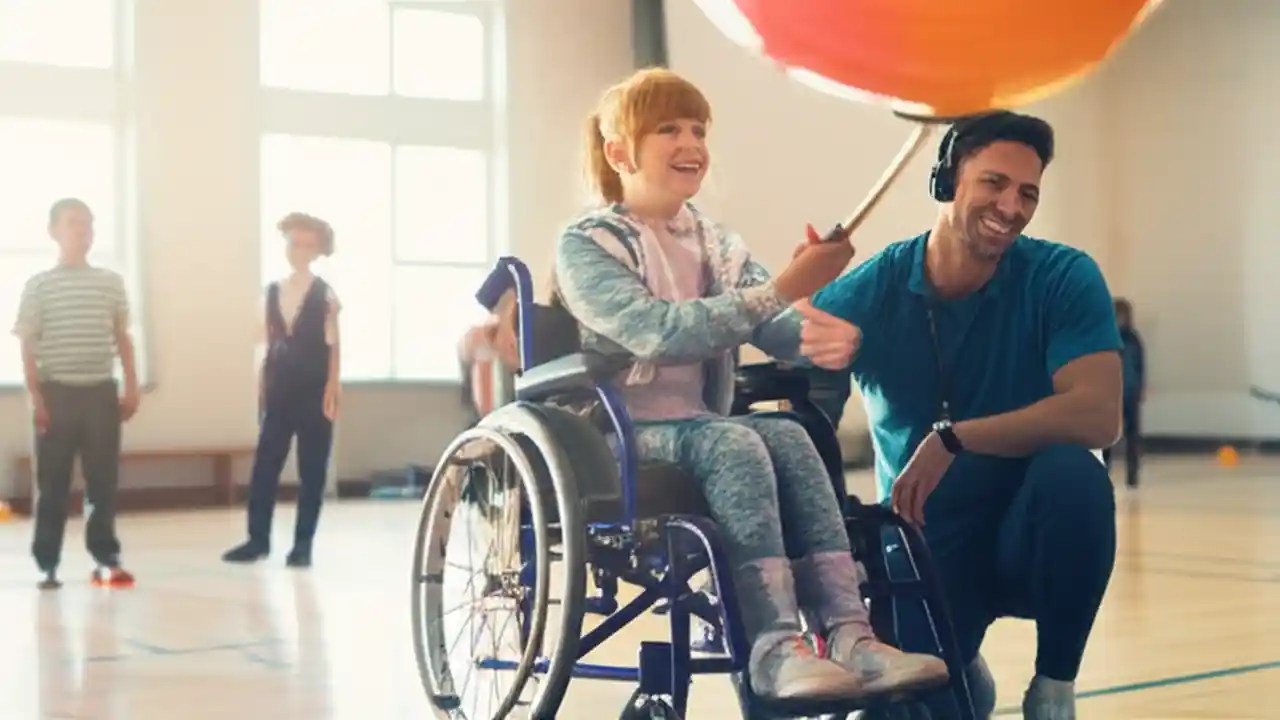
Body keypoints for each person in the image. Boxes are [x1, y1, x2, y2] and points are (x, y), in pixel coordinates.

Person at [552, 67, 948, 707]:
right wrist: (783, 288)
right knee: (733, 443)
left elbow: (776, 323)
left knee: (789, 437)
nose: (691, 143)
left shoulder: (714, 242)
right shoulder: (586, 244)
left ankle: (849, 634)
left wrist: (819, 335)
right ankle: (771, 648)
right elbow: (657, 332)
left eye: (698, 129)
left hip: (704, 424)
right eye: (669, 129)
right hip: (624, 435)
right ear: (620, 151)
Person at [810, 111, 1122, 719]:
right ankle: (961, 671)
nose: (1011, 205)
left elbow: (1098, 415)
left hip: (1031, 533)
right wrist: (800, 293)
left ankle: (1054, 687)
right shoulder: (872, 289)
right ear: (946, 181)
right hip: (924, 548)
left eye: (1027, 193)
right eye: (993, 183)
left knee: (1074, 476)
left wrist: (956, 439)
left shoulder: (1063, 276)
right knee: (905, 709)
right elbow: (795, 391)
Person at [13, 198, 141, 590]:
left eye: (88, 224)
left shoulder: (110, 283)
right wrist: (37, 398)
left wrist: (132, 387)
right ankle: (47, 563)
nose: (82, 231)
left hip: (101, 393)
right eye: (73, 224)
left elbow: (123, 338)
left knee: (102, 482)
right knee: (52, 485)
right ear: (54, 231)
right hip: (56, 395)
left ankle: (105, 558)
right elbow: (28, 345)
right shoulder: (39, 286)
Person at [223, 212, 341, 569]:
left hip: (313, 387)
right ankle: (257, 539)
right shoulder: (272, 291)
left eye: (308, 245)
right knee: (265, 466)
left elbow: (333, 344)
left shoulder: (325, 294)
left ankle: (302, 544)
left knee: (312, 468)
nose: (300, 250)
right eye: (294, 243)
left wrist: (333, 386)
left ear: (319, 249)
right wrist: (261, 386)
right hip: (278, 387)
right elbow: (263, 342)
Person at [1102, 297, 1145, 487]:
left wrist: (1141, 387)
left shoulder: (1134, 339)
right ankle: (1104, 472)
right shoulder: (1105, 337)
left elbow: (1141, 366)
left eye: (1123, 315)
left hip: (1130, 393)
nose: (1121, 319)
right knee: (1107, 436)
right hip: (1111, 395)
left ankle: (1132, 476)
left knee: (1133, 436)